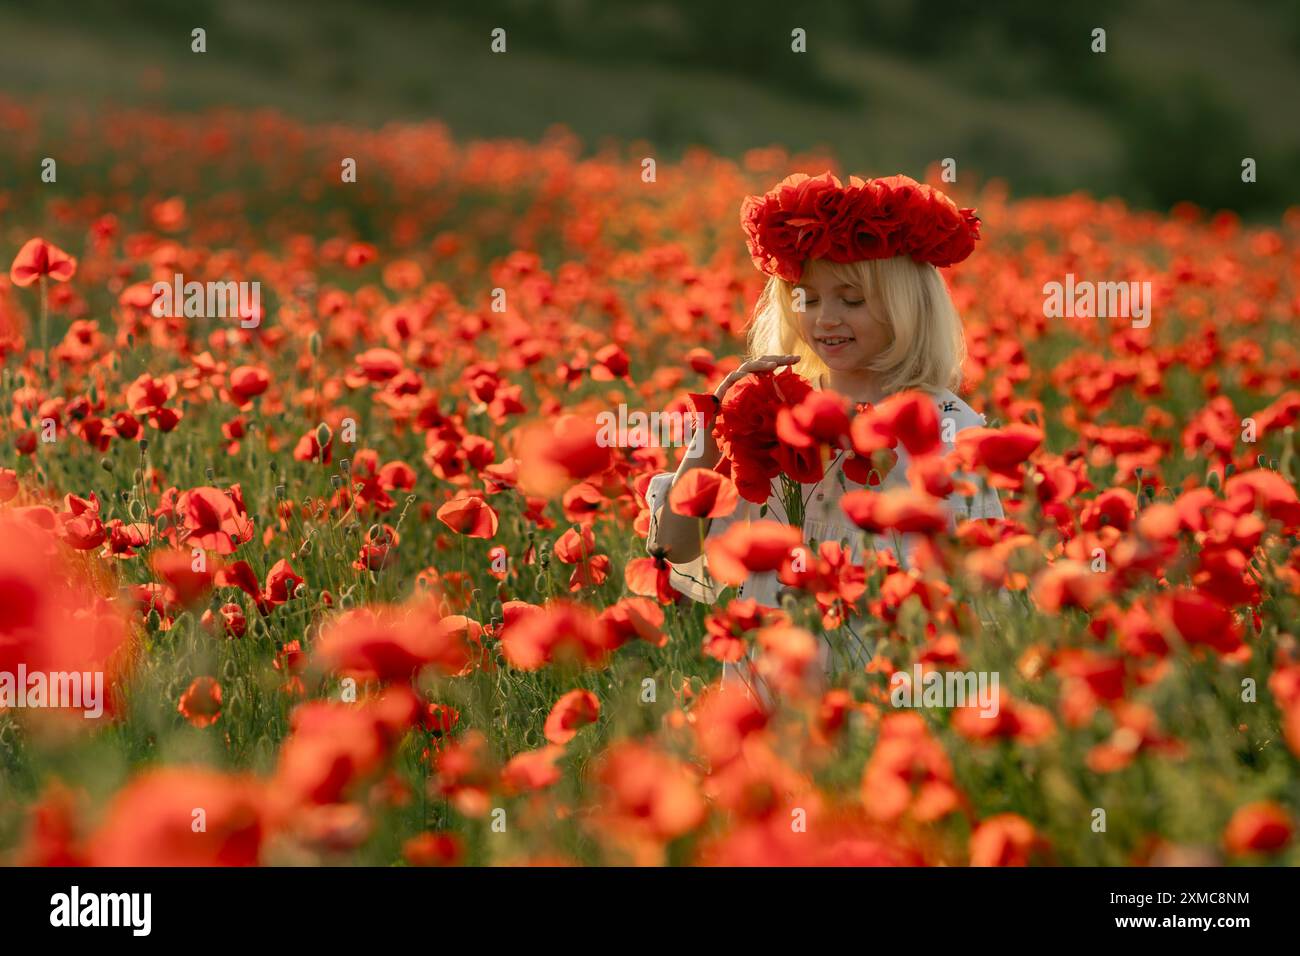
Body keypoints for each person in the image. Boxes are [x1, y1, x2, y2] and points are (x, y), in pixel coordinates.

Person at [644, 172, 1003, 681]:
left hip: (882, 683)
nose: (826, 319)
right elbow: (674, 547)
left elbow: (987, 597)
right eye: (807, 299)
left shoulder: (946, 430)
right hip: (769, 684)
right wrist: (715, 428)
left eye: (851, 300)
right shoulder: (777, 414)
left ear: (908, 305)